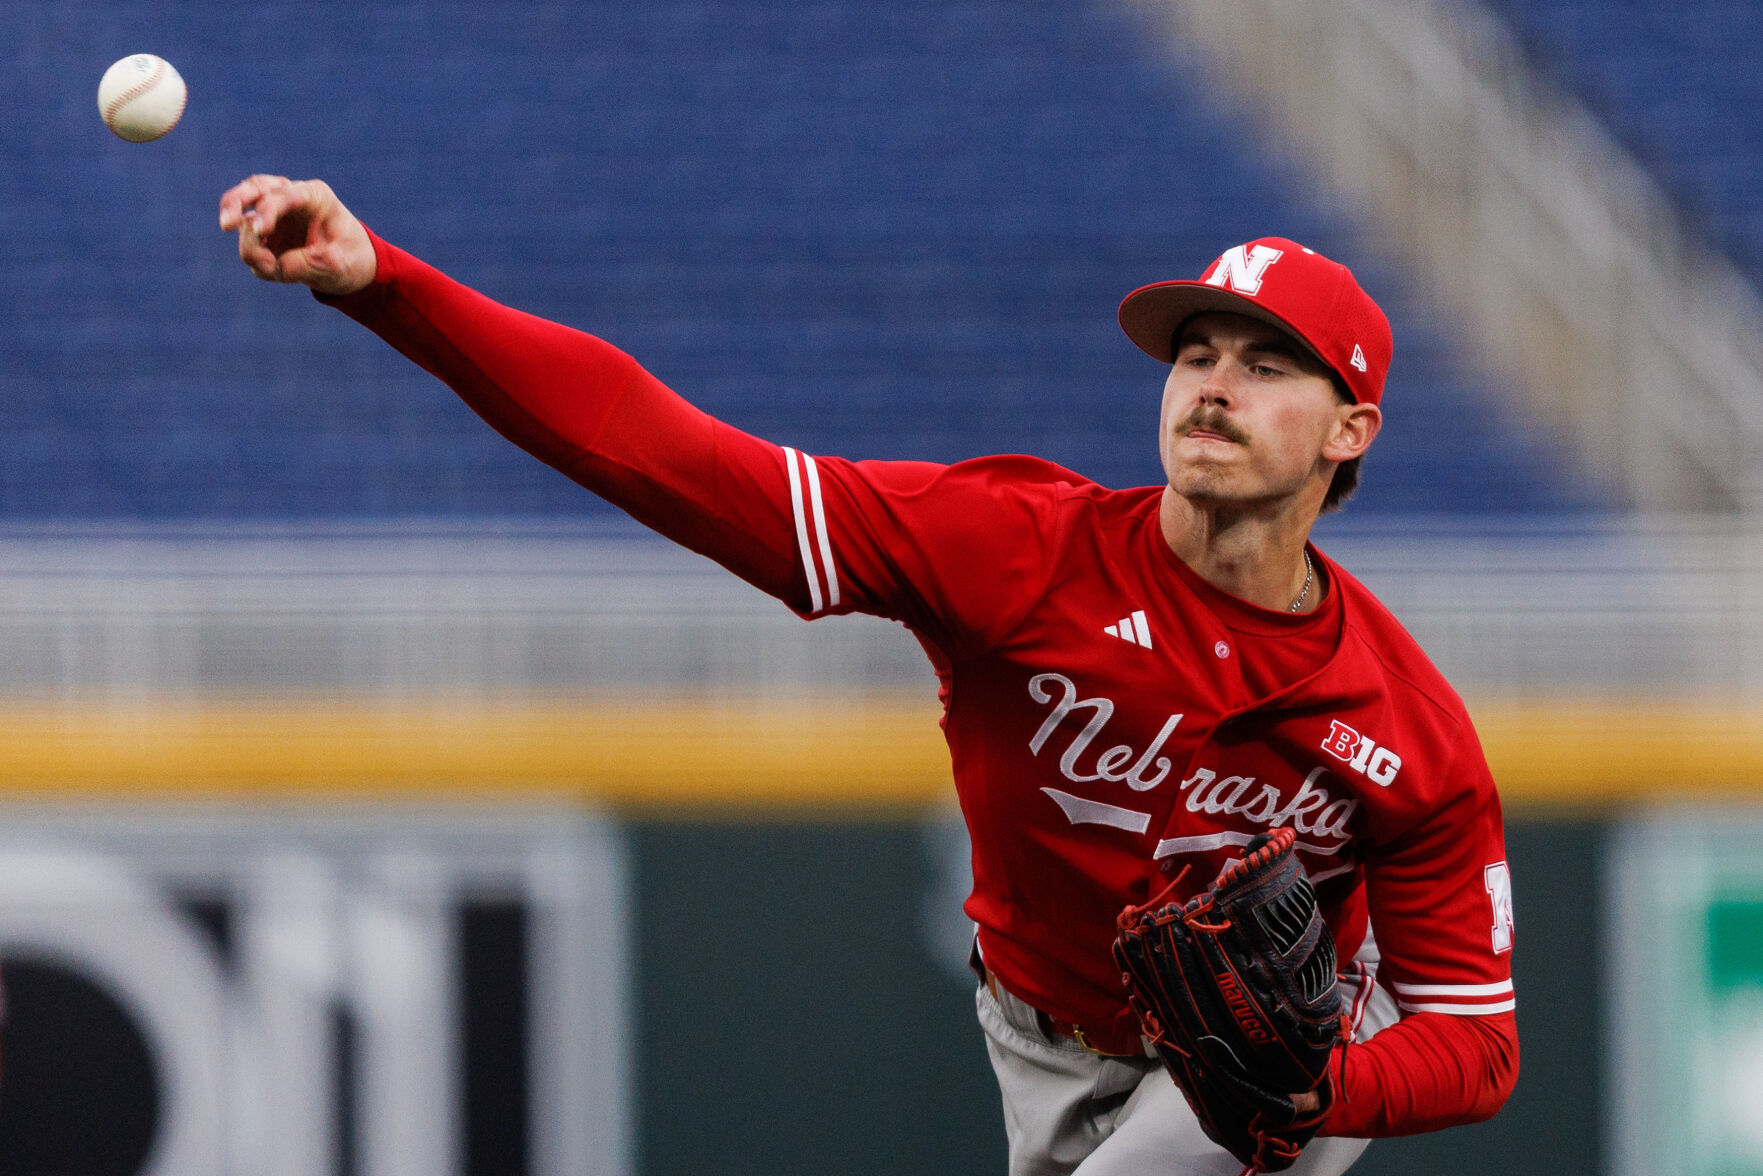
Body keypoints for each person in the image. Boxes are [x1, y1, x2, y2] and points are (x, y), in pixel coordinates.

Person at [220, 175, 1519, 1175]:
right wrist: (383, 280)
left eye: (1267, 362)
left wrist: (1320, 1092)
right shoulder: (1018, 551)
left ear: (1352, 431)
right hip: (1040, 1037)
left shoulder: (1404, 724)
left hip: (1277, 1074)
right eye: (1195, 353)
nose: (1213, 387)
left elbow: (1476, 1038)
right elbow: (662, 449)